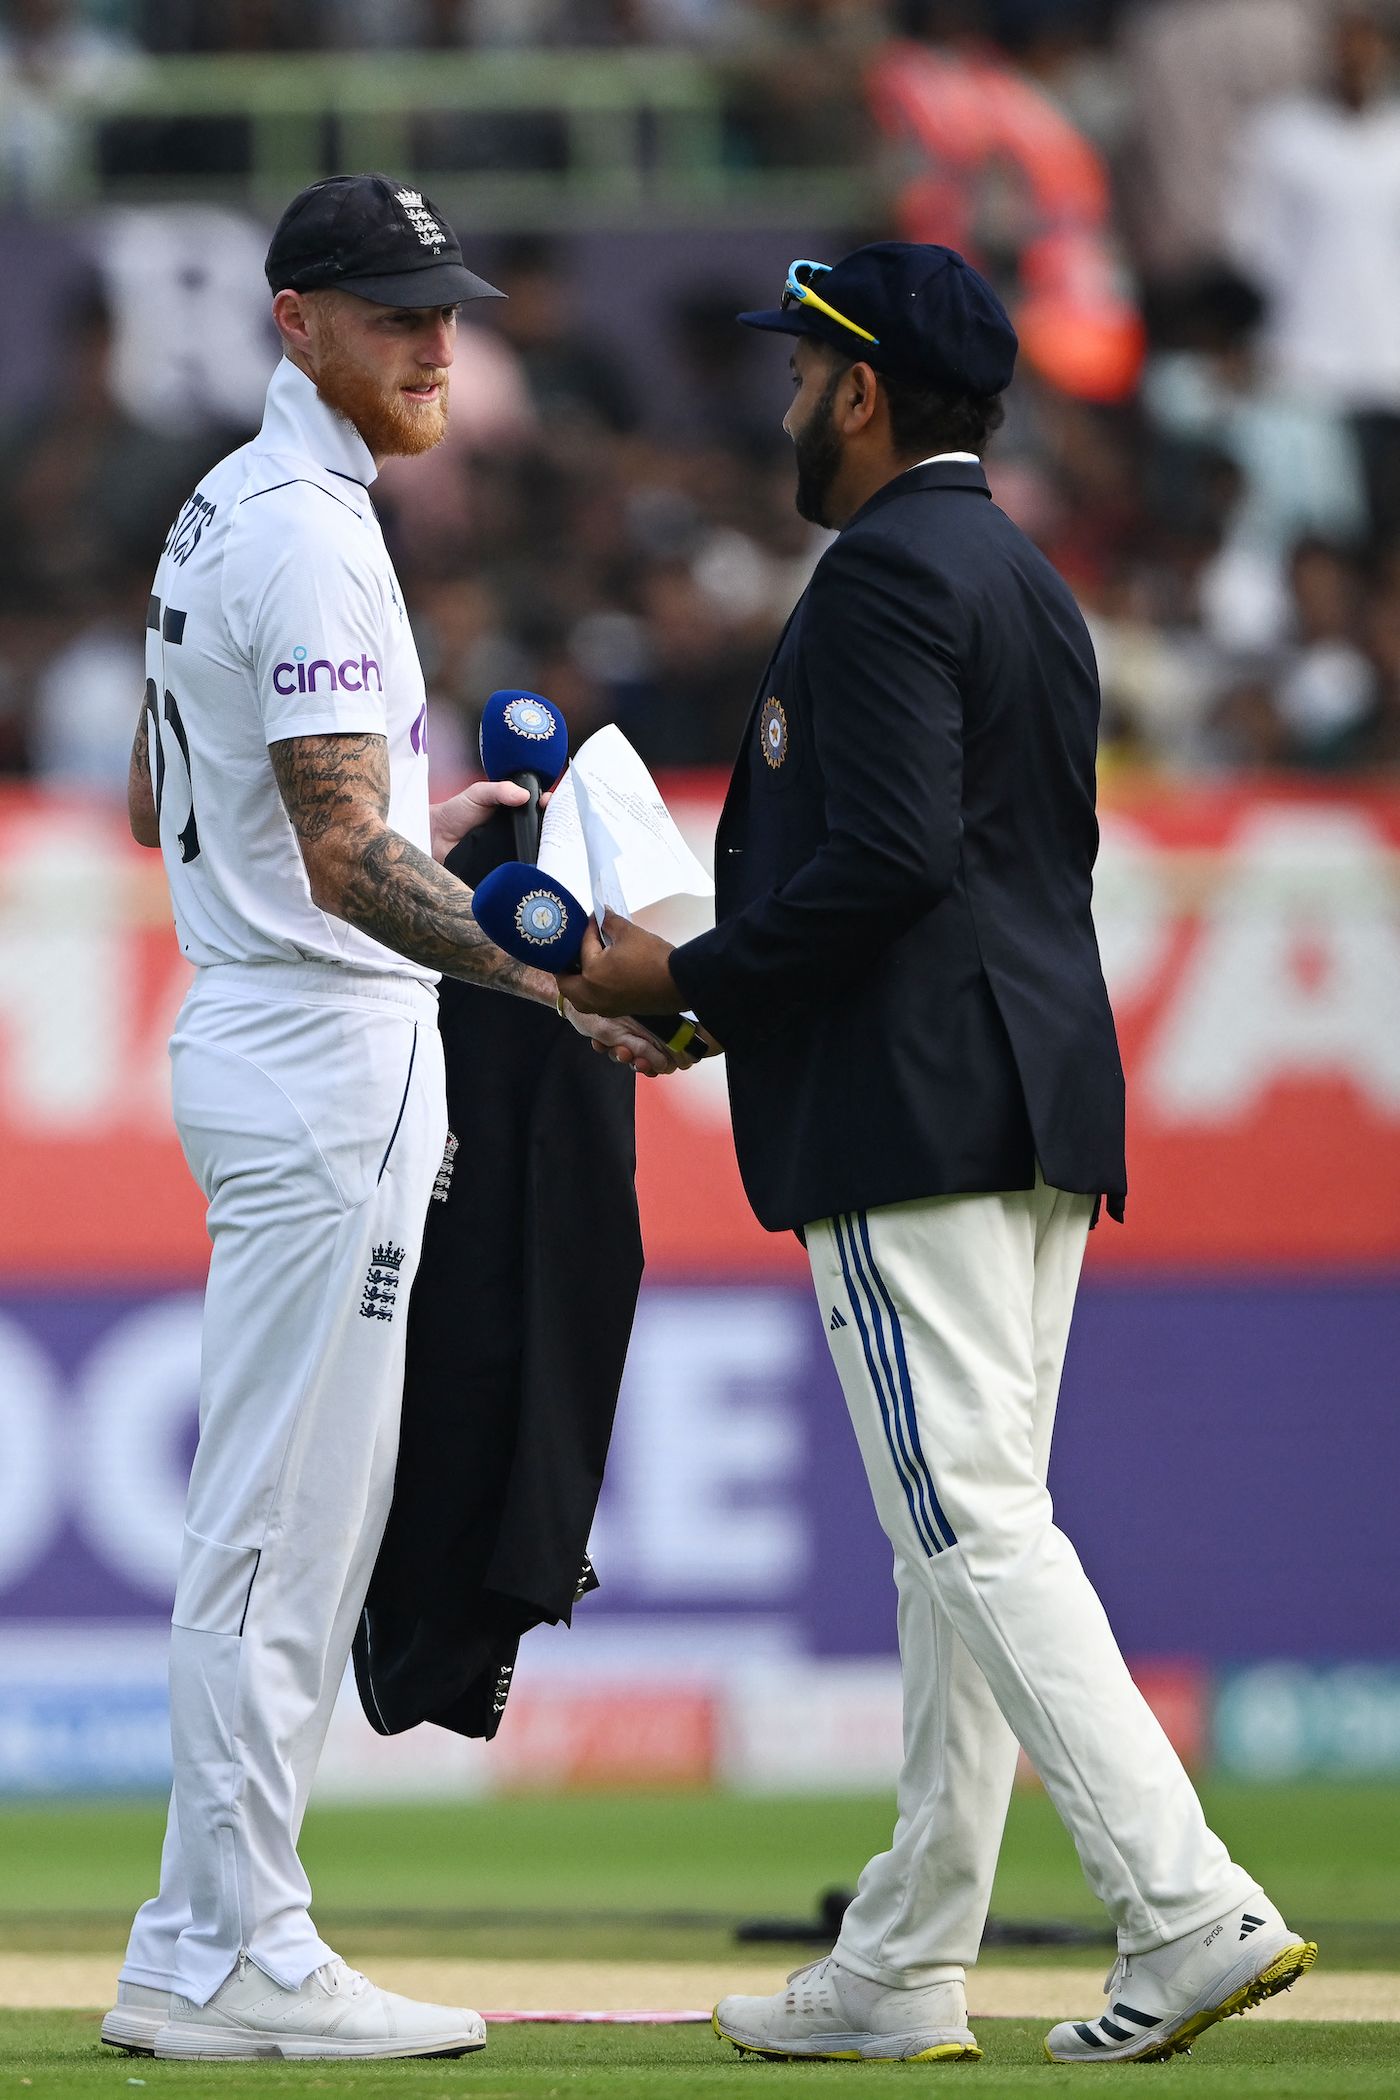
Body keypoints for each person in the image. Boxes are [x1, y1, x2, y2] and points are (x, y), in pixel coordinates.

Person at [556, 242, 1317, 2066]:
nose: (789, 404)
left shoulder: (888, 577)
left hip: (912, 1106)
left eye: (807, 374)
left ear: (868, 390)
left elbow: (889, 861)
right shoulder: (1028, 578)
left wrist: (696, 976)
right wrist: (729, 995)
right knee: (953, 1537)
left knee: (966, 1522)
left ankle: (1187, 1903)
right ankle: (906, 1959)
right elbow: (974, 866)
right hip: (1032, 1091)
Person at [103, 172, 670, 2066]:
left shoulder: (228, 509)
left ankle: (196, 1941)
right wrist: (555, 971)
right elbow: (343, 861)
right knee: (282, 1536)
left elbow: (157, 796)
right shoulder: (321, 540)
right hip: (320, 1055)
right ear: (295, 320)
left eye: (450, 309)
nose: (443, 342)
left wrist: (425, 851)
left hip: (278, 1033)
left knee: (283, 1525)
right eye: (397, 312)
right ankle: (244, 1948)